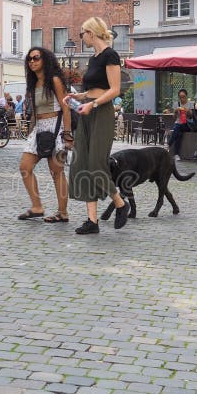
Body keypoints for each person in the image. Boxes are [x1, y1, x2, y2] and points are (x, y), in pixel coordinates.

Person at [63, 17, 130, 234]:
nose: (81, 37)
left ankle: (120, 203)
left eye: (82, 33)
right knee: (81, 163)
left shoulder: (110, 55)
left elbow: (115, 89)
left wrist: (93, 104)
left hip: (101, 112)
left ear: (92, 32)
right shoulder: (93, 59)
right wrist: (77, 96)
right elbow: (93, 89)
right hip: (87, 111)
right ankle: (92, 221)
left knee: (96, 164)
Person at [18, 47, 72, 224]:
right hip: (39, 128)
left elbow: (66, 107)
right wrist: (30, 131)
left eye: (36, 58)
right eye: (29, 59)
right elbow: (35, 111)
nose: (32, 61)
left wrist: (68, 134)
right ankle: (37, 207)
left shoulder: (54, 80)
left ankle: (62, 213)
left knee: (57, 172)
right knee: (25, 166)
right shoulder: (33, 83)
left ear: (45, 60)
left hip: (56, 127)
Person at [166, 88, 194, 161]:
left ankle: (169, 144)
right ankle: (176, 154)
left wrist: (187, 111)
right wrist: (175, 112)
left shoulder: (190, 104)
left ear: (186, 96)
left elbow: (191, 116)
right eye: (180, 97)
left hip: (187, 124)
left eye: (183, 96)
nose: (182, 99)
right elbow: (174, 118)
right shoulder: (176, 104)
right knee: (179, 133)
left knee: (178, 127)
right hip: (178, 124)